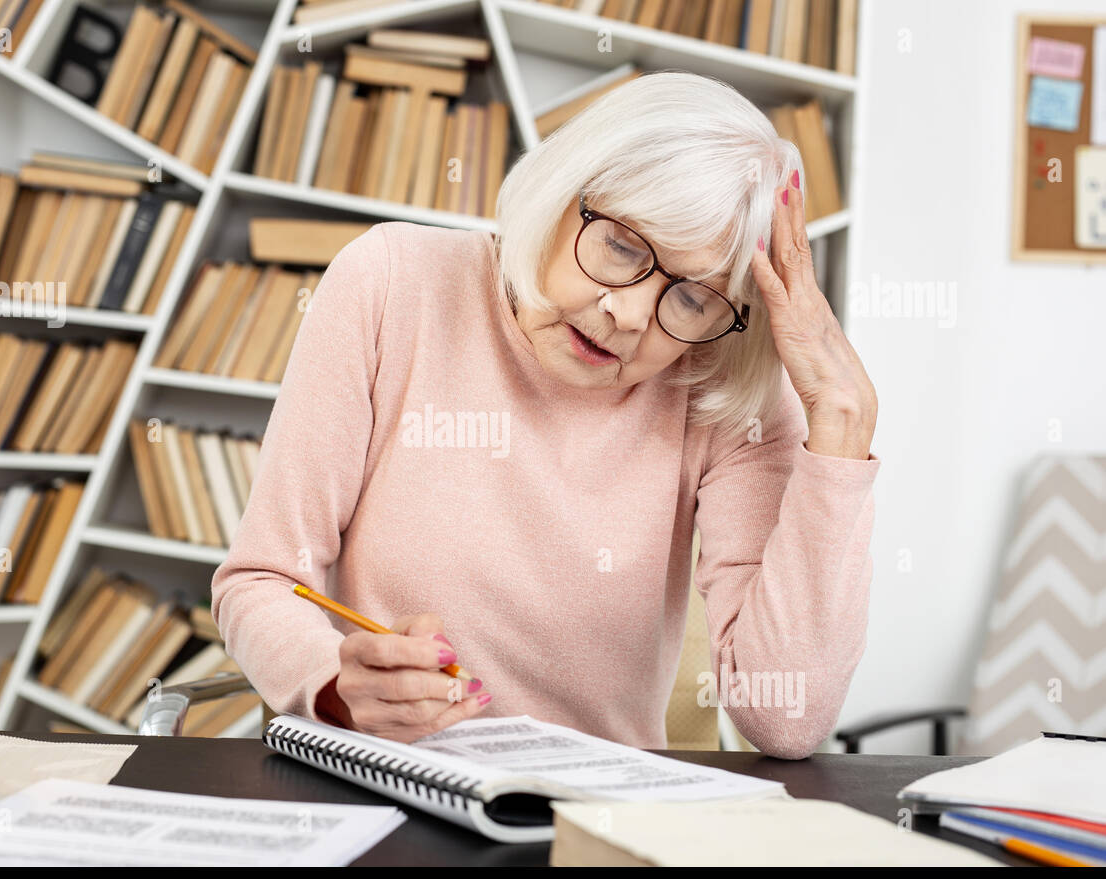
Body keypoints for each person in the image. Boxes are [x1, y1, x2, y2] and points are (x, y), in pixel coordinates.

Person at [211, 70, 879, 758]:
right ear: (563, 192)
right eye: (622, 246)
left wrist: (842, 425)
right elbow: (260, 582)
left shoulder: (717, 387)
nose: (626, 313)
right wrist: (336, 690)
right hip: (390, 778)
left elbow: (788, 721)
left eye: (690, 299)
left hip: (594, 815)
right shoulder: (390, 281)